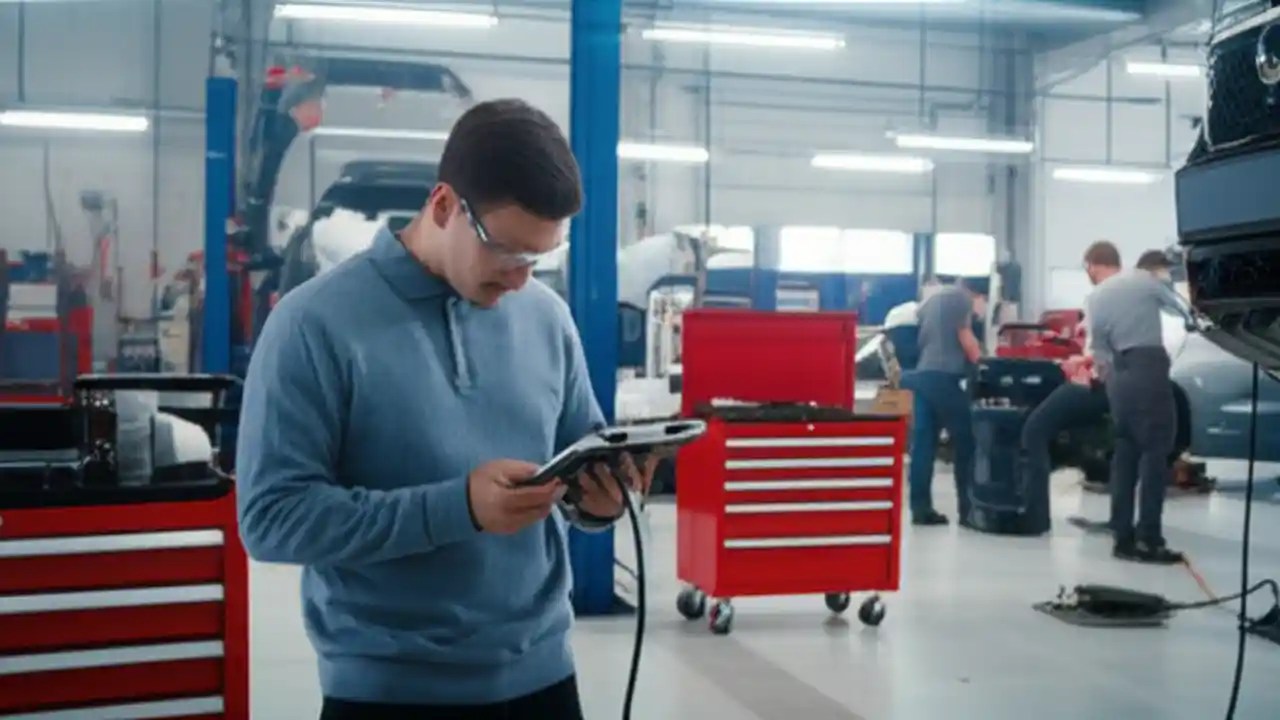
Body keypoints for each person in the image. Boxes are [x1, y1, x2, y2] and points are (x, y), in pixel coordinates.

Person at [236, 99, 658, 720]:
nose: (520, 280)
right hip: (389, 691)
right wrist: (456, 507)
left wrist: (600, 500)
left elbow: (578, 452)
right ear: (442, 206)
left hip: (545, 678)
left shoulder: (546, 318)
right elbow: (272, 519)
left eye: (538, 259)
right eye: (508, 253)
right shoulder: (313, 323)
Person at [1083, 240, 1191, 564]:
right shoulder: (1147, 283)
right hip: (1148, 365)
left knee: (1126, 450)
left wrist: (1111, 376)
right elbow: (1185, 310)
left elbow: (1098, 348)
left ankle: (1122, 537)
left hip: (1117, 373)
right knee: (1156, 451)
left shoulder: (1096, 296)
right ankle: (1150, 539)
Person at [902, 279, 984, 526]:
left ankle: (920, 509)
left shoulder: (931, 300)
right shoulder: (961, 299)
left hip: (923, 375)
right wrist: (984, 361)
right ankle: (968, 511)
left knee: (923, 445)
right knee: (966, 441)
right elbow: (965, 337)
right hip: (944, 377)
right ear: (978, 294)